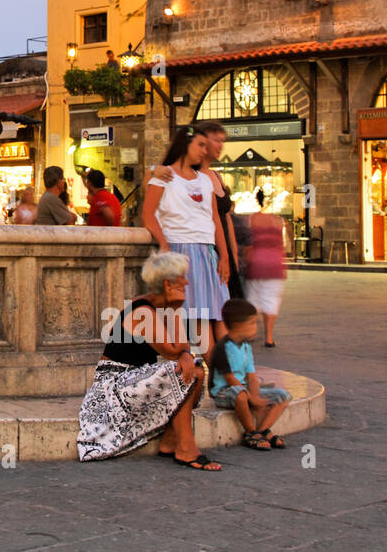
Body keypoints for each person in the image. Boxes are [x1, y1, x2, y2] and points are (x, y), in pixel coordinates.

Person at [77, 251, 218, 469]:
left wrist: (185, 351)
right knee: (193, 372)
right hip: (112, 386)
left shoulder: (162, 307)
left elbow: (183, 350)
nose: (187, 281)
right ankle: (186, 449)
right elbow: (173, 351)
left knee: (195, 371)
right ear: (168, 283)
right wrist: (177, 315)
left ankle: (171, 441)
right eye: (182, 277)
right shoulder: (143, 311)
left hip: (132, 380)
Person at [142, 126, 229, 352]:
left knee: (220, 316)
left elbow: (215, 219)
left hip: (207, 251)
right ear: (184, 145)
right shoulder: (163, 176)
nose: (205, 149)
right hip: (181, 250)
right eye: (200, 145)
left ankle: (231, 376)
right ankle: (222, 380)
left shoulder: (205, 179)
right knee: (199, 321)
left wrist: (225, 255)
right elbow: (148, 215)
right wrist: (163, 243)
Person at [208, 298, 291, 450]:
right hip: (223, 392)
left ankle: (263, 430)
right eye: (252, 323)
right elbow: (230, 378)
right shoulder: (222, 347)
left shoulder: (246, 346)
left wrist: (256, 396)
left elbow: (251, 376)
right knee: (241, 395)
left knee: (283, 395)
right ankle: (250, 432)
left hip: (243, 388)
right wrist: (252, 398)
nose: (256, 328)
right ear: (238, 326)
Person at [241, 189, 288, 348]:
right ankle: (268, 337)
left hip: (256, 264)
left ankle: (250, 332)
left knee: (253, 300)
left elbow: (249, 244)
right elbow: (283, 245)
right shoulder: (278, 220)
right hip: (275, 265)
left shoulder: (252, 219)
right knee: (271, 301)